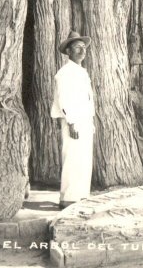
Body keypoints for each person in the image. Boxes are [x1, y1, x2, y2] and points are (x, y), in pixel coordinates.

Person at [51, 30, 94, 208]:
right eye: (77, 47)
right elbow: (64, 98)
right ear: (68, 51)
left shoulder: (81, 72)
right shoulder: (66, 73)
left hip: (84, 120)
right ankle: (68, 197)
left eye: (84, 47)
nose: (82, 51)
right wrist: (71, 122)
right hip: (73, 121)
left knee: (83, 158)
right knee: (72, 158)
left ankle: (80, 195)